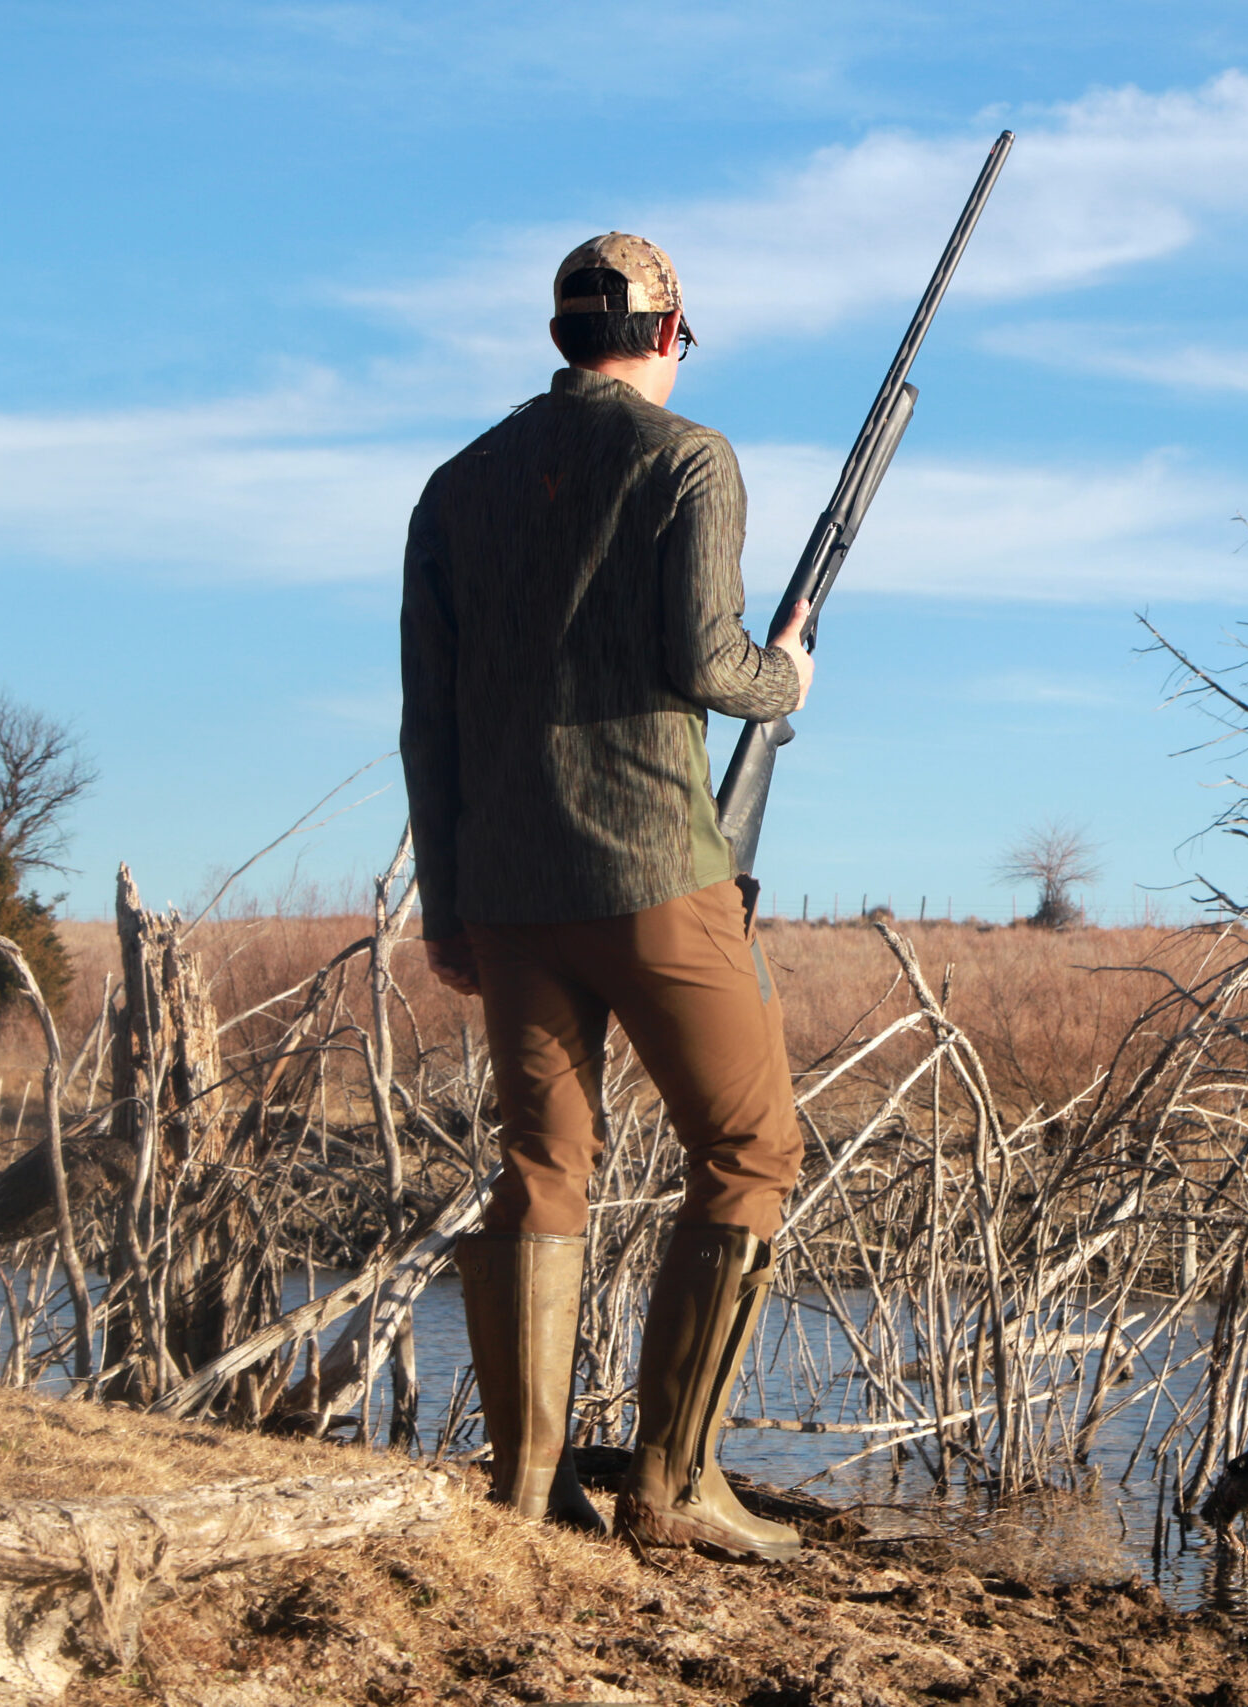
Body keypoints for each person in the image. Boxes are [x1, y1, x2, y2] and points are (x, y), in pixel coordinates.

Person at [399, 232, 815, 1561]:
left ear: (561, 338)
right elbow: (708, 656)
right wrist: (786, 678)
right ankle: (675, 1485)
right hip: (654, 873)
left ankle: (526, 1494)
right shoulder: (689, 460)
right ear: (671, 335)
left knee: (540, 1169)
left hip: (509, 887)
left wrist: (449, 902)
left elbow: (430, 721)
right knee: (751, 1151)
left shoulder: (454, 487)